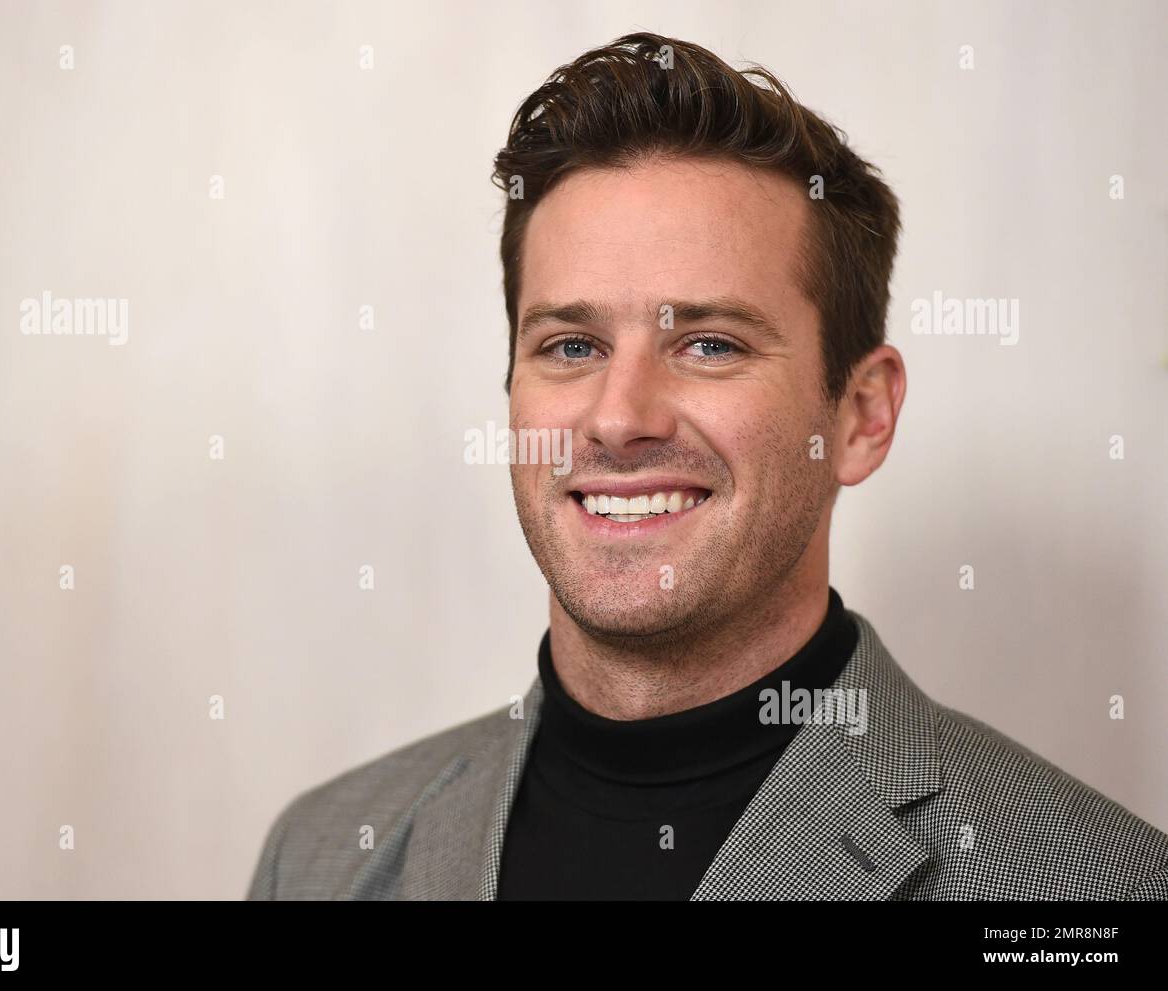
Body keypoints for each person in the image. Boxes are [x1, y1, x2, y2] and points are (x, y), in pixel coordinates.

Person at [248, 32, 1168, 900]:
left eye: (710, 344)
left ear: (861, 414)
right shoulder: (323, 853)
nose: (618, 418)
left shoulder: (1089, 887)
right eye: (571, 346)